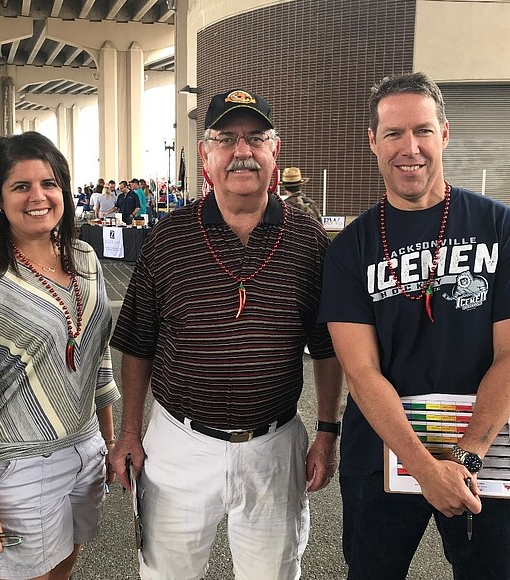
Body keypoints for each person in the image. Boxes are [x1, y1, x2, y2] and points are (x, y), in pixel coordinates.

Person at [318, 72, 510, 580]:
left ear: (444, 134)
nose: (410, 148)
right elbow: (361, 371)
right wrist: (425, 468)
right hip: (381, 451)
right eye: (393, 133)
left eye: (423, 130)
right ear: (373, 141)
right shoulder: (351, 248)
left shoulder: (501, 228)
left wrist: (465, 458)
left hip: (482, 448)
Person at [110, 89, 343, 580]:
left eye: (256, 138)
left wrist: (327, 431)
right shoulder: (168, 238)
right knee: (166, 574)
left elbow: (327, 348)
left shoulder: (308, 240)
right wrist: (129, 431)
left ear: (274, 151)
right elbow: (137, 343)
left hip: (274, 447)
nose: (242, 151)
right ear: (205, 154)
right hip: (179, 444)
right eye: (226, 139)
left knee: (272, 573)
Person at [0, 131, 120, 580]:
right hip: (17, 464)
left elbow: (97, 357)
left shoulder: (83, 257)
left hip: (85, 447)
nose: (38, 196)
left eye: (49, 183)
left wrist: (108, 440)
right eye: (21, 186)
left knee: (65, 565)